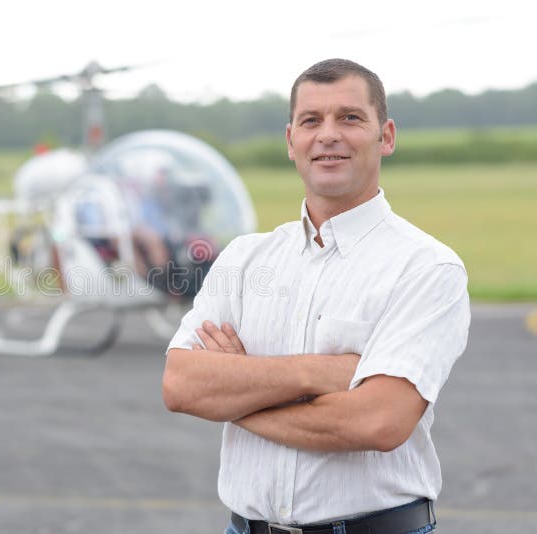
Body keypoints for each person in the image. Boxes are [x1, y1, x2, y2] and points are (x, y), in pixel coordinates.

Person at [162, 58, 470, 534]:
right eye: (311, 120)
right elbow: (182, 386)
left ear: (386, 136)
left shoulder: (427, 268)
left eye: (350, 118)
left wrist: (235, 394)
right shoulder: (243, 259)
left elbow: (378, 422)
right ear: (291, 141)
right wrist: (320, 373)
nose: (328, 135)